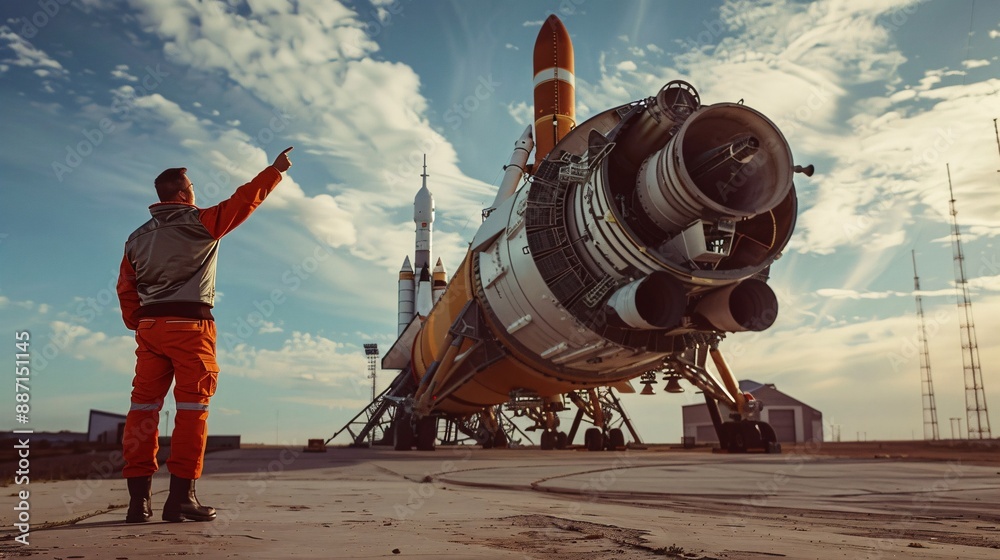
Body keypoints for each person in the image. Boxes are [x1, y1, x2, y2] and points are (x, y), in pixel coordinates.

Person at [116, 147, 293, 523]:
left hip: (150, 330)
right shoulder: (201, 222)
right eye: (192, 186)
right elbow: (244, 201)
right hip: (190, 328)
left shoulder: (135, 238)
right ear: (181, 195)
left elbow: (125, 288)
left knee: (143, 409)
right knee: (192, 410)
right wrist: (275, 171)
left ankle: (138, 503)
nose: (195, 192)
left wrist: (140, 323)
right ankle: (181, 498)